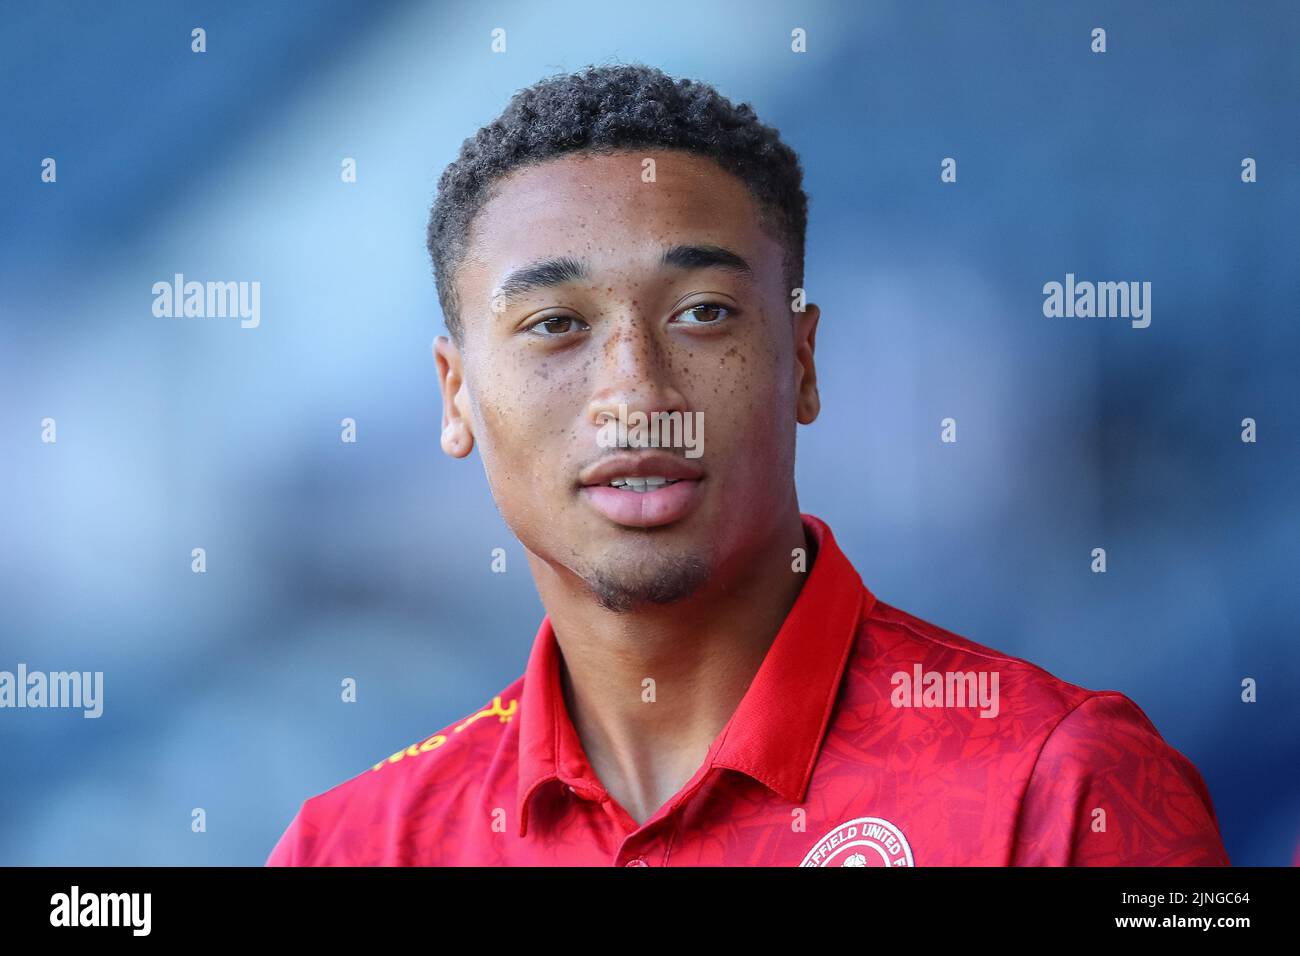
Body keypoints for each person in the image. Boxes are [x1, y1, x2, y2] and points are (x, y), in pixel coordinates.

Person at [266, 63, 1229, 866]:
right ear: (456, 395)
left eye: (702, 313)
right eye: (554, 326)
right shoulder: (351, 847)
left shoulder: (1064, 791)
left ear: (803, 362)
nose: (634, 392)